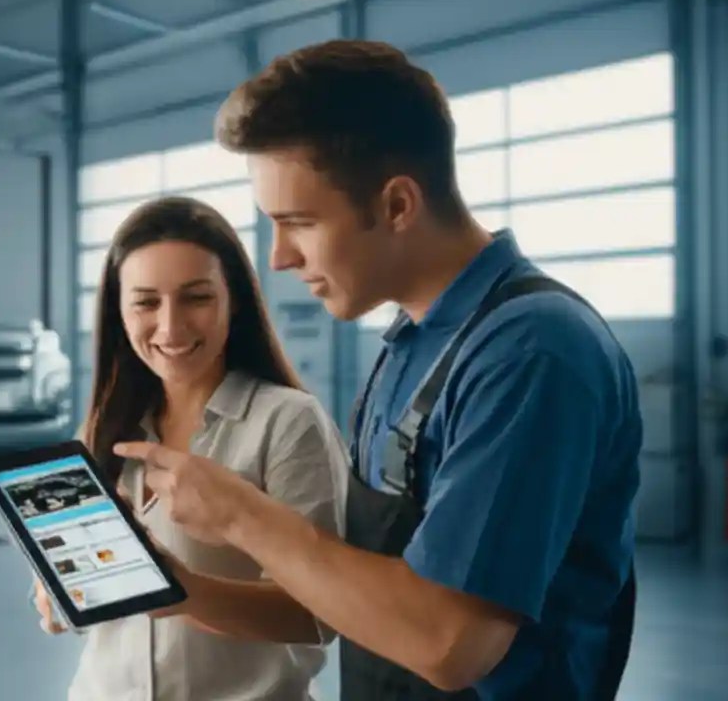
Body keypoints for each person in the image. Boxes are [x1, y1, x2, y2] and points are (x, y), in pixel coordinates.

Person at [113, 40, 642, 701]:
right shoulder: (407, 346)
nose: (278, 258)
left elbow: (447, 644)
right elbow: (348, 591)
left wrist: (242, 517)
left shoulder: (532, 352)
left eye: (298, 222)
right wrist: (181, 587)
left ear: (396, 205)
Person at [33, 196, 350, 700]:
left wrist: (186, 594)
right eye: (146, 302)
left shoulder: (288, 422)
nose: (171, 326)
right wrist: (59, 590)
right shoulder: (103, 426)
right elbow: (88, 597)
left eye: (196, 298)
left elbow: (319, 614)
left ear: (234, 300)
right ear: (119, 311)